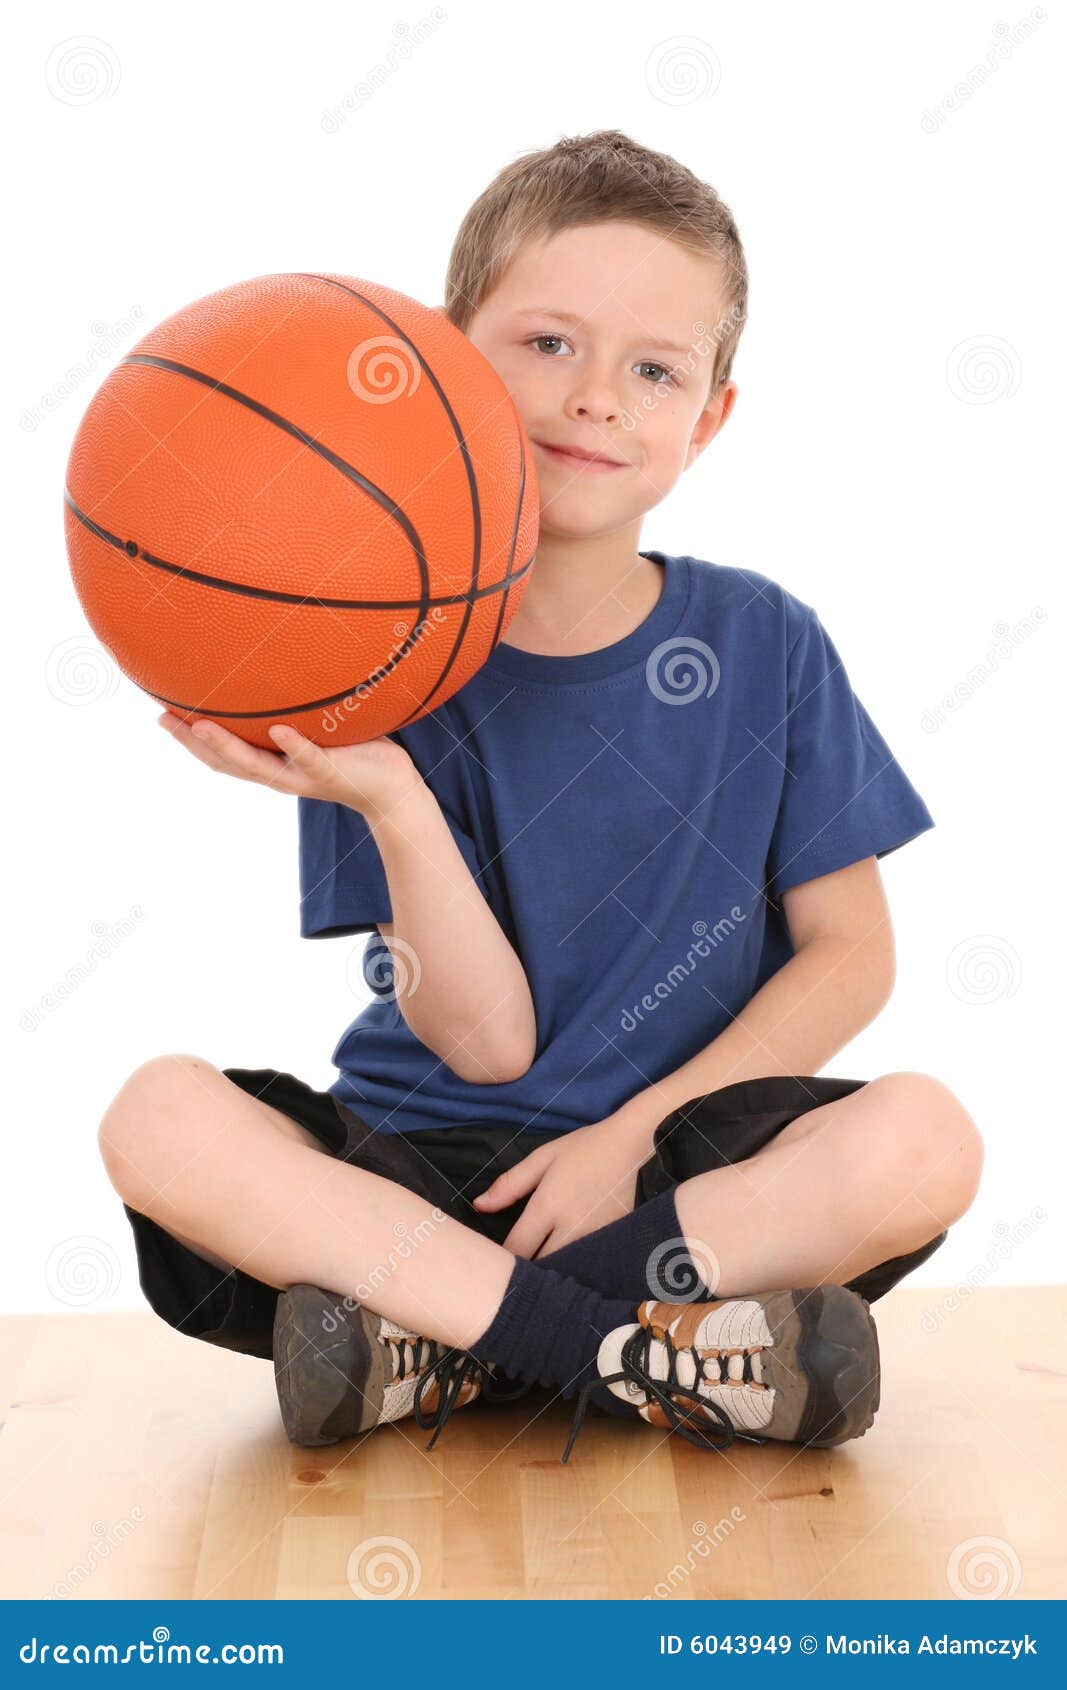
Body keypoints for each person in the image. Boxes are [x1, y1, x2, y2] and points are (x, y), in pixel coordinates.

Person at [98, 129, 983, 1465]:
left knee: (929, 1136)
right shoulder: (368, 659)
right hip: (422, 1175)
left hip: (679, 1175)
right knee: (155, 1115)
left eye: (653, 369)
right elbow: (488, 1047)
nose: (595, 399)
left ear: (710, 416)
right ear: (449, 362)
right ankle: (636, 1352)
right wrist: (390, 798)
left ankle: (436, 1344)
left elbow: (854, 955)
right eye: (549, 344)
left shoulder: (767, 641)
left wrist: (628, 1136)